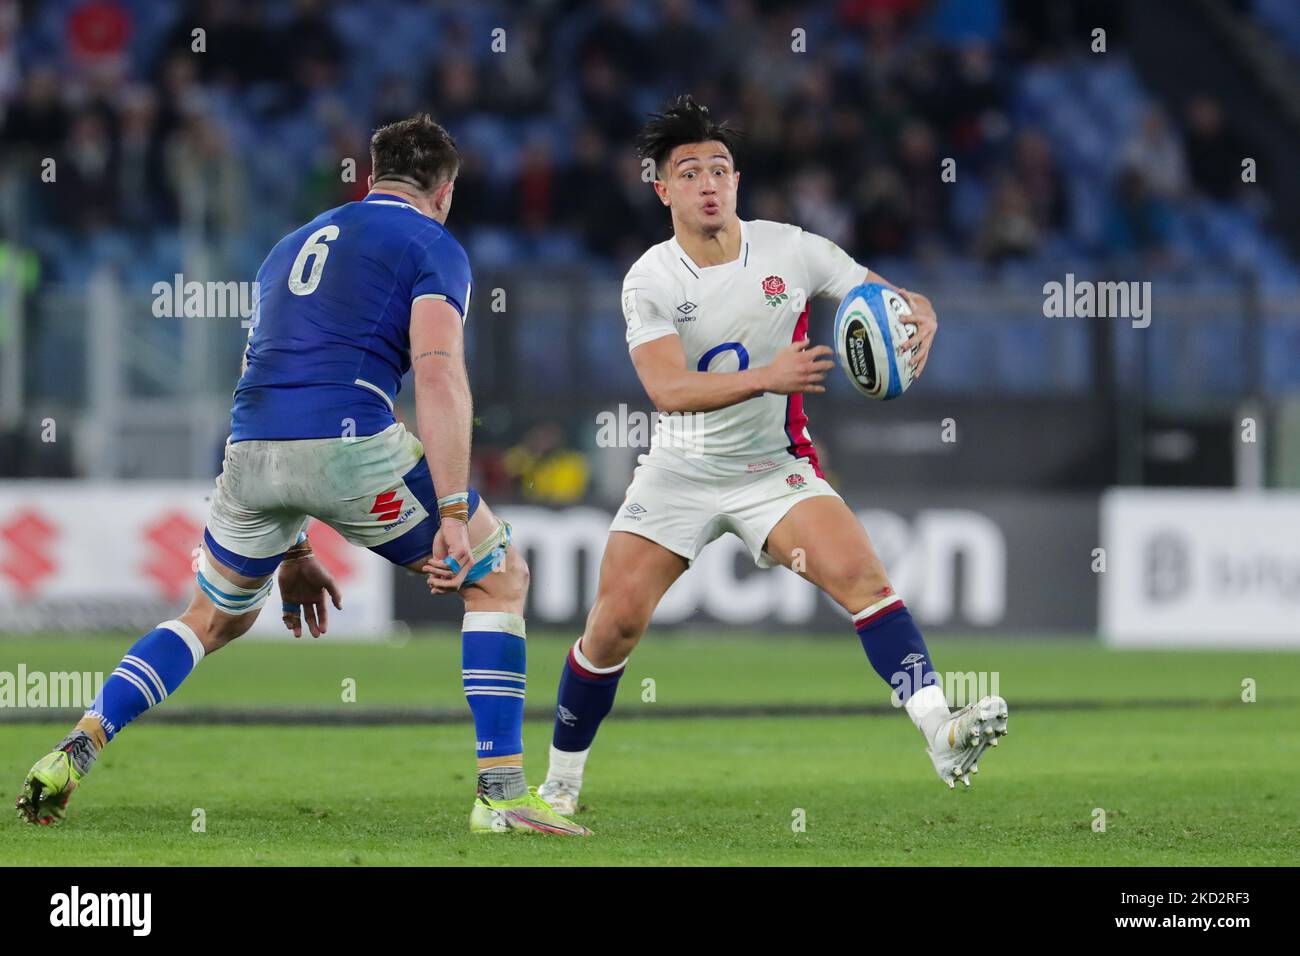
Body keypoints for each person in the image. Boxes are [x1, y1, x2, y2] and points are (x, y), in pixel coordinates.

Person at [16, 114, 587, 838]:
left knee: (211, 616)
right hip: (353, 444)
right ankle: (502, 795)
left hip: (252, 446)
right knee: (497, 576)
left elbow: (275, 374)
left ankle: (83, 740)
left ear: (369, 177)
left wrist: (293, 549)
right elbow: (440, 376)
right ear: (444, 191)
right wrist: (450, 512)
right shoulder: (432, 244)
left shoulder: (287, 248)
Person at [537, 97, 1008, 817]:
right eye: (688, 171)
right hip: (680, 469)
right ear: (662, 188)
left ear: (736, 180)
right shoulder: (651, 278)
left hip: (774, 468)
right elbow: (666, 388)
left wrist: (920, 307)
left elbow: (876, 294)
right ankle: (560, 790)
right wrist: (766, 376)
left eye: (720, 168)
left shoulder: (792, 248)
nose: (708, 182)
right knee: (613, 625)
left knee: (864, 577)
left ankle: (940, 728)